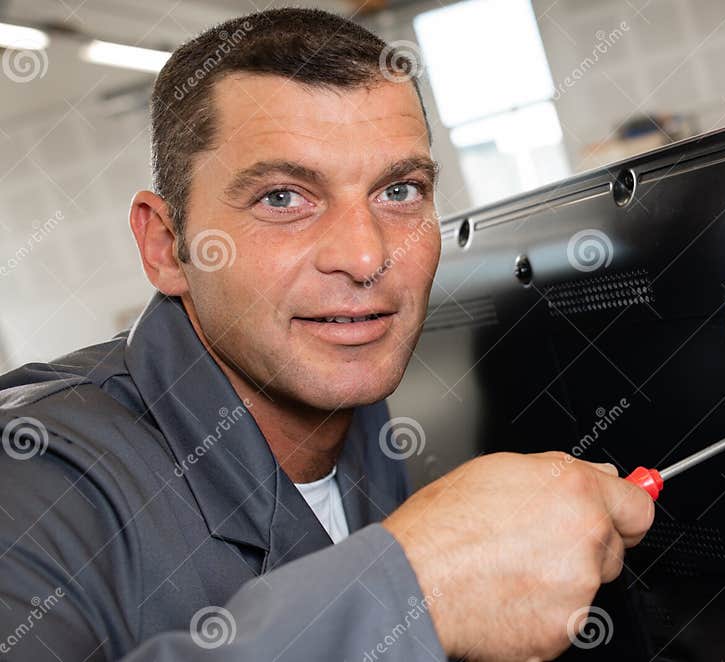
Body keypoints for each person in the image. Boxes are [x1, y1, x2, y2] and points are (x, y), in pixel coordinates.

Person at [0, 8, 654, 661]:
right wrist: (411, 589)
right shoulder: (32, 490)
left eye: (399, 190)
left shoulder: (359, 406)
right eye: (282, 198)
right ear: (168, 246)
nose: (366, 258)